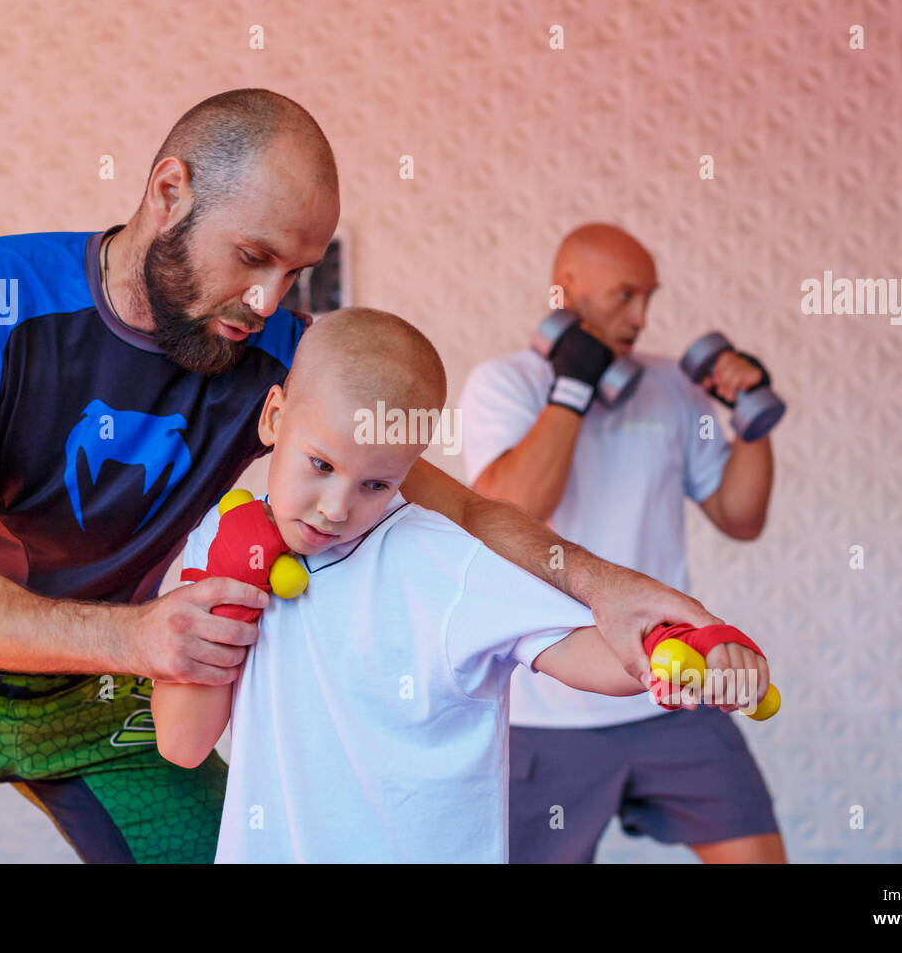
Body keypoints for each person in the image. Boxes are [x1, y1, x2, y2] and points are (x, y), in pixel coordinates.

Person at [0, 96, 719, 864]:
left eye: (295, 274)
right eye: (253, 257)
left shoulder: (288, 362)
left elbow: (461, 507)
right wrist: (140, 634)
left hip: (111, 690)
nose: (266, 303)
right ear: (168, 191)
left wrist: (612, 587)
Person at [153, 308, 771, 862]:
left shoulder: (441, 557)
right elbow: (182, 743)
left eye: (377, 484)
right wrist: (227, 586)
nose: (337, 508)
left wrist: (680, 658)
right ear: (274, 416)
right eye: (321, 465)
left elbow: (577, 649)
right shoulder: (221, 539)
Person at [460, 223, 787, 864]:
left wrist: (751, 413)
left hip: (675, 692)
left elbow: (741, 517)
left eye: (649, 297)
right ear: (567, 291)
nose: (641, 318)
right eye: (624, 296)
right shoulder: (504, 384)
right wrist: (573, 387)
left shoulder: (671, 386)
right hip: (545, 712)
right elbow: (510, 512)